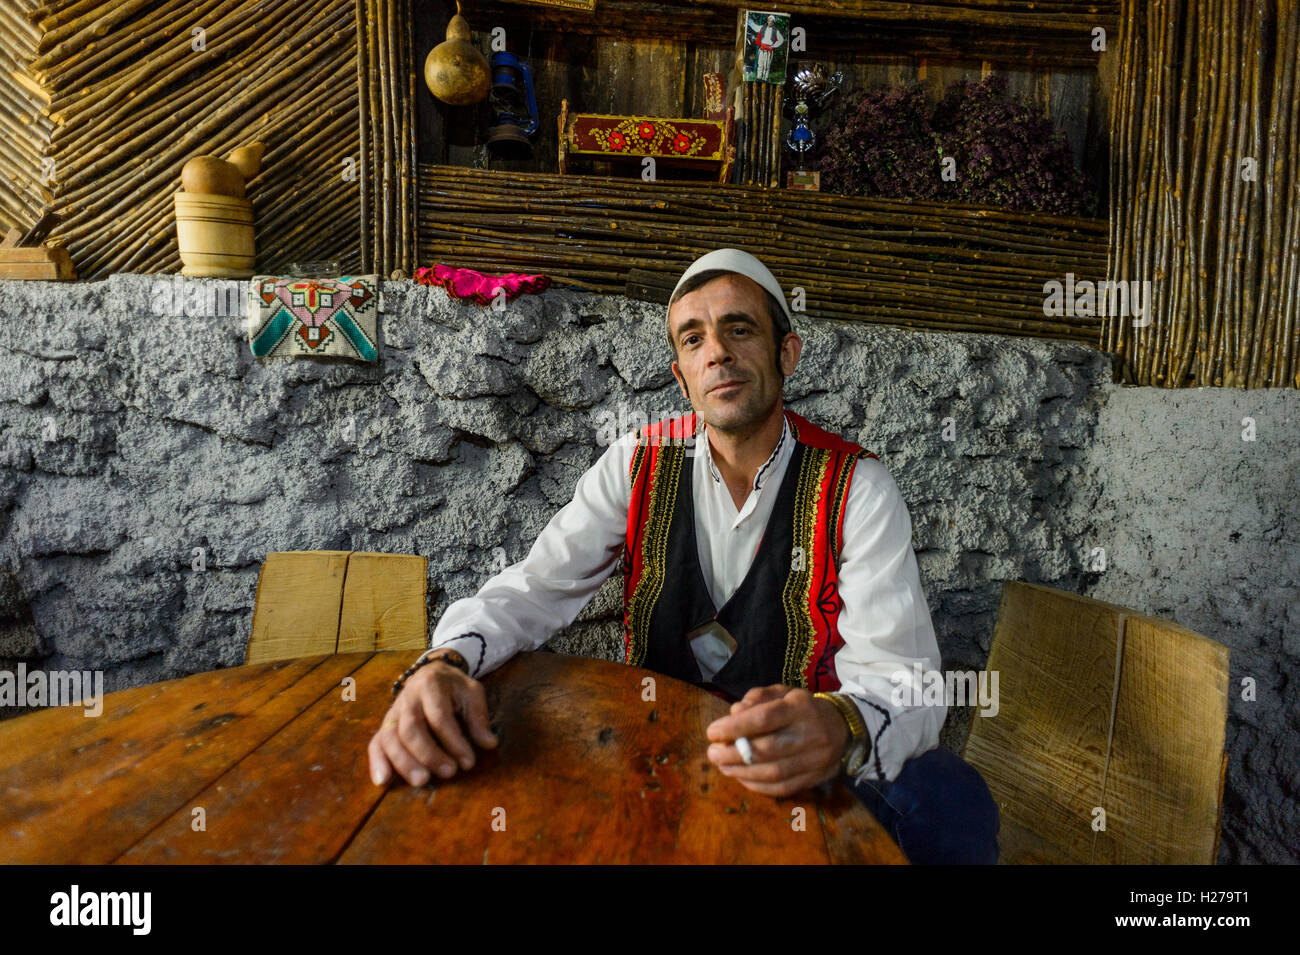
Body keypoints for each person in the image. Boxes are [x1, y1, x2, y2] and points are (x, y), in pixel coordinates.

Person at [368, 248, 1000, 864]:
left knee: (947, 795)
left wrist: (841, 727)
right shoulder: (638, 461)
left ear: (787, 352)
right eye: (693, 339)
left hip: (799, 779)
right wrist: (445, 662)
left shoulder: (856, 486)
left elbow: (904, 679)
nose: (716, 352)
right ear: (681, 375)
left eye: (739, 329)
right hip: (656, 756)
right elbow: (533, 589)